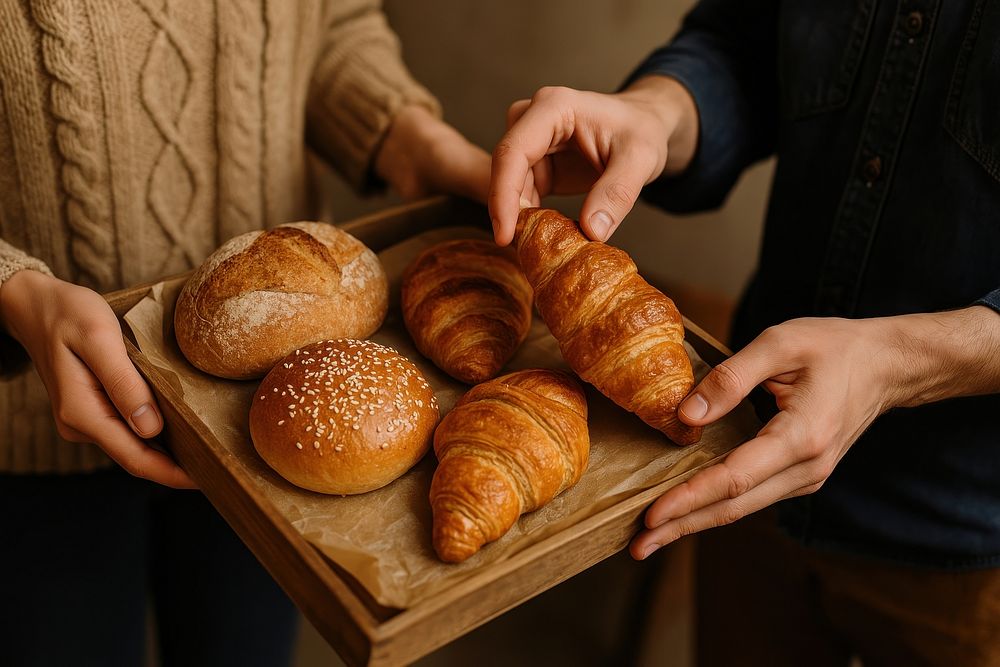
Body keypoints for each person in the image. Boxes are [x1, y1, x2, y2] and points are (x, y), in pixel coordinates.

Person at [489, 0, 1000, 664]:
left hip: (965, 544)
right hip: (741, 450)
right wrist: (659, 112)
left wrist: (899, 362)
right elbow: (745, 42)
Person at [0, 2, 489, 665]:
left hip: (274, 432)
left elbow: (333, 24)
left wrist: (413, 139)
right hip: (35, 436)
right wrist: (13, 288)